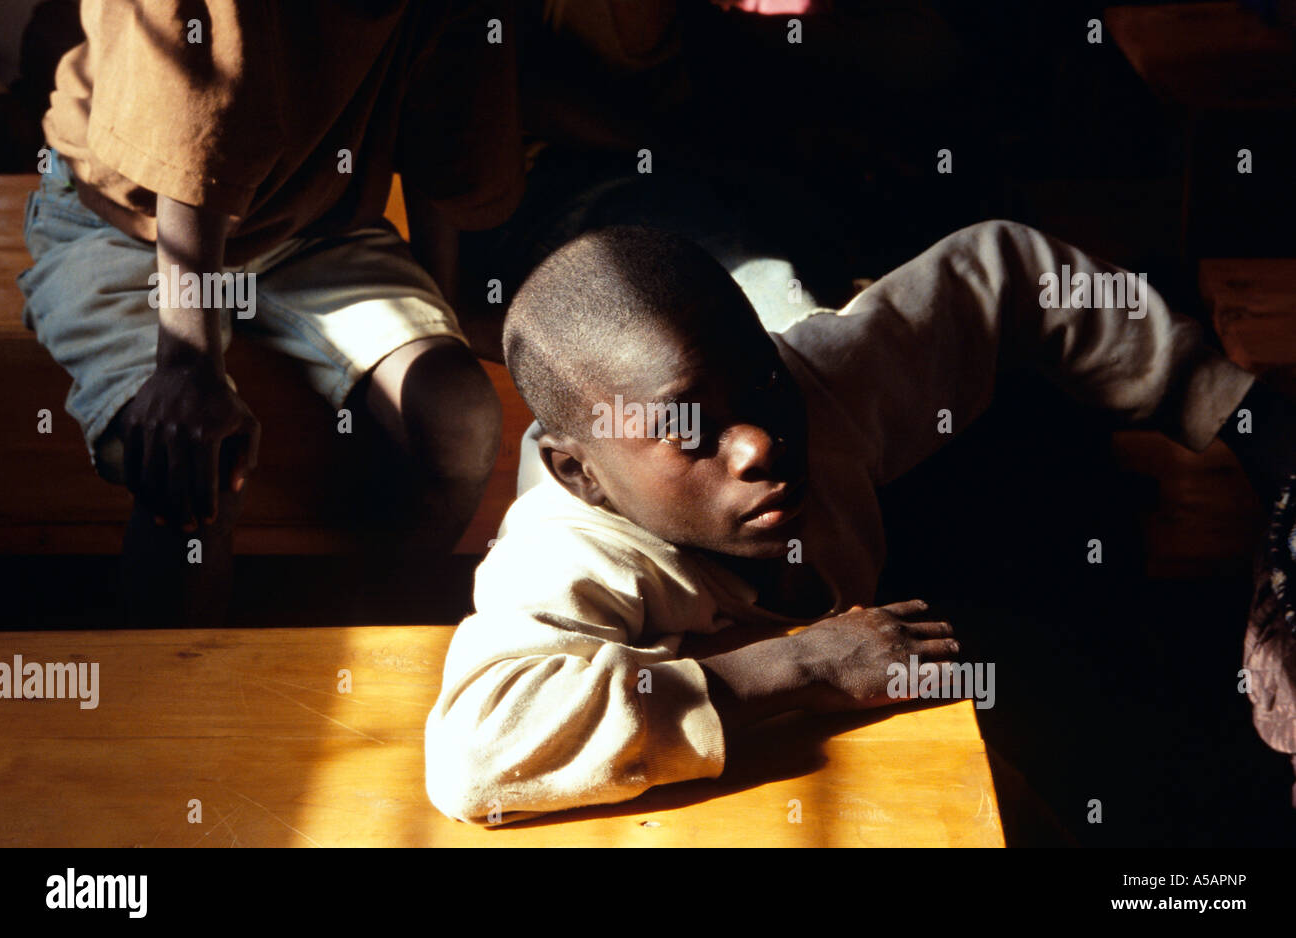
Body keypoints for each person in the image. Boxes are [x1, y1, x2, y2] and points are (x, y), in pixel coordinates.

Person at [424, 220, 1293, 826]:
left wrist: (1237, 409)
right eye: (687, 427)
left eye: (758, 383)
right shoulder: (563, 550)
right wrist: (800, 665)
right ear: (585, 474)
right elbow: (476, 755)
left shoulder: (813, 378)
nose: (761, 441)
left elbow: (1007, 270)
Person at [18, 1, 522, 625]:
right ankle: (176, 707)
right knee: (192, 463)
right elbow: (190, 141)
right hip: (132, 220)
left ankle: (360, 649)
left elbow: (449, 138)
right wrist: (187, 361)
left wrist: (438, 301)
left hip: (314, 224)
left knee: (460, 420)